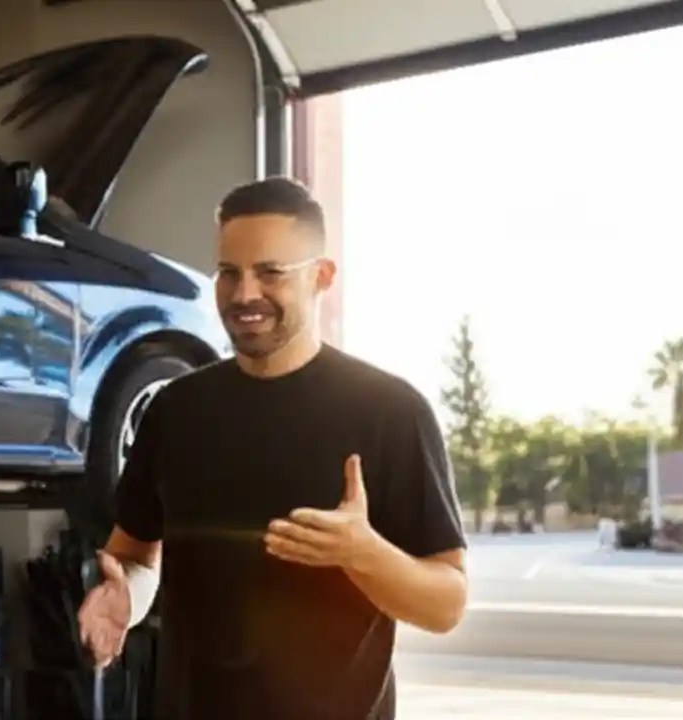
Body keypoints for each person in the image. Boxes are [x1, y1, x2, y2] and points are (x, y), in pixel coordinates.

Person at [77, 177, 469, 719]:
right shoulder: (175, 410)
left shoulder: (390, 412)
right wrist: (127, 599)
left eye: (270, 273)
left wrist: (363, 553)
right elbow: (136, 554)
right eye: (229, 274)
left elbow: (446, 604)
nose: (244, 295)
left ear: (321, 276)